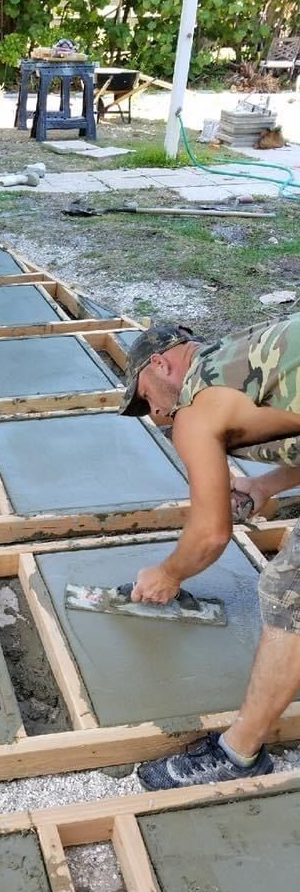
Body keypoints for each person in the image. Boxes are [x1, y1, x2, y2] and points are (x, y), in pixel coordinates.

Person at [118, 316, 300, 789]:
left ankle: (238, 754)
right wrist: (264, 485)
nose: (155, 413)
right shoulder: (241, 357)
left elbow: (210, 535)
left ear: (162, 363)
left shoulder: (196, 407)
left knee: (288, 591)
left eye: (146, 399)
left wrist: (168, 574)